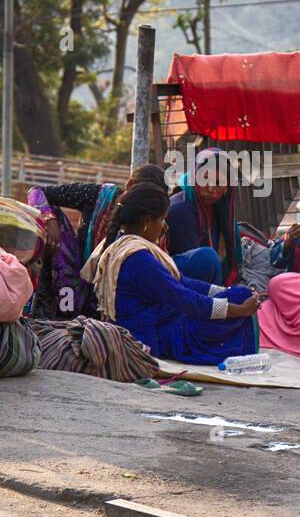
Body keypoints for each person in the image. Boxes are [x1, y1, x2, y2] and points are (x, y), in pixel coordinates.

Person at [84, 183, 260, 365]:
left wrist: (224, 291)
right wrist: (238, 310)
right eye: (161, 220)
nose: (163, 227)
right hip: (153, 336)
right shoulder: (138, 258)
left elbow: (183, 282)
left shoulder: (129, 247)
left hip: (160, 323)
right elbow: (183, 297)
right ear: (146, 221)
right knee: (238, 302)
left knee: (238, 294)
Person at [28, 164, 169, 317]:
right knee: (50, 218)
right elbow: (37, 192)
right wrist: (49, 220)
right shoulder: (97, 196)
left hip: (109, 294)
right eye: (143, 196)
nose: (145, 205)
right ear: (129, 185)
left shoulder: (153, 224)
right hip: (71, 276)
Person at [165, 147, 242, 286]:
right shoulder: (181, 210)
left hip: (206, 287)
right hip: (180, 287)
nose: (211, 189)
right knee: (206, 258)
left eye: (218, 183)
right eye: (204, 179)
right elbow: (192, 269)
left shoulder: (220, 213)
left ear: (227, 188)